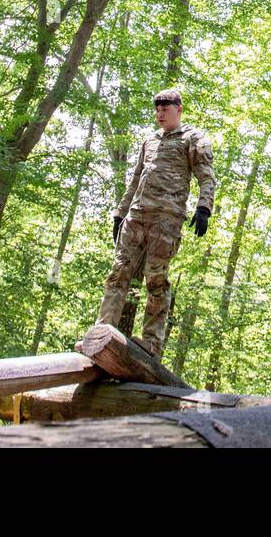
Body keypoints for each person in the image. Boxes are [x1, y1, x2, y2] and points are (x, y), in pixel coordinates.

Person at [94, 89, 215, 360]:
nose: (160, 113)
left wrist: (204, 207)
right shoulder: (149, 140)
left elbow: (206, 177)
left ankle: (151, 346)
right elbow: (135, 179)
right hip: (136, 217)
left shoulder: (193, 138)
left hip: (166, 221)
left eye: (166, 108)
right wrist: (119, 212)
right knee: (117, 275)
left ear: (179, 109)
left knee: (156, 281)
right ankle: (102, 332)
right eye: (157, 109)